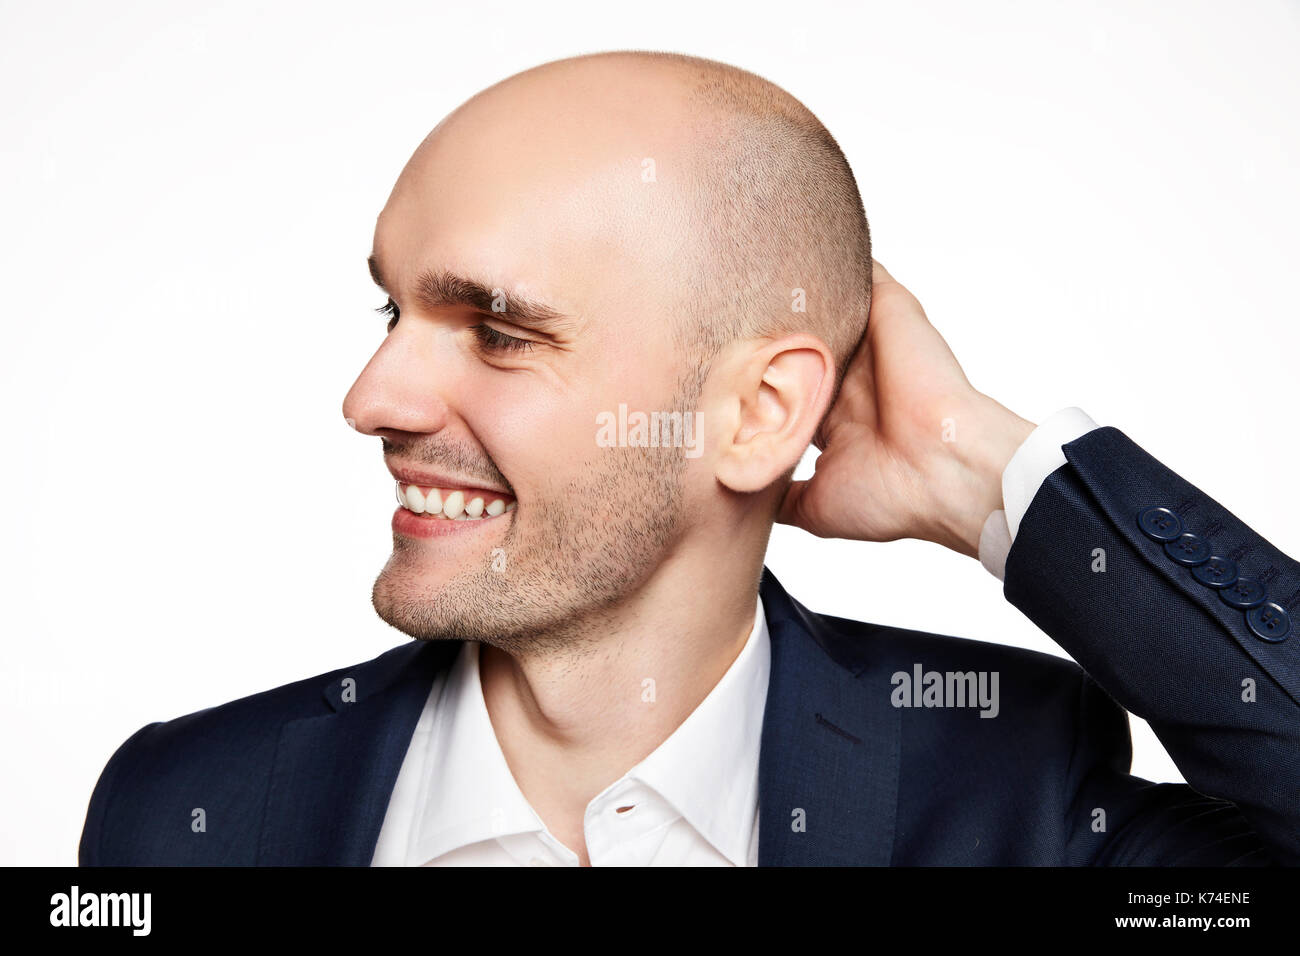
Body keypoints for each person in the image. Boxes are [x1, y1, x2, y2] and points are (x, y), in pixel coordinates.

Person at [79, 50, 1298, 867]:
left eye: (500, 330)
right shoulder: (184, 811)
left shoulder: (1009, 793)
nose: (370, 398)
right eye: (391, 314)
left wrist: (979, 475)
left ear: (762, 410)